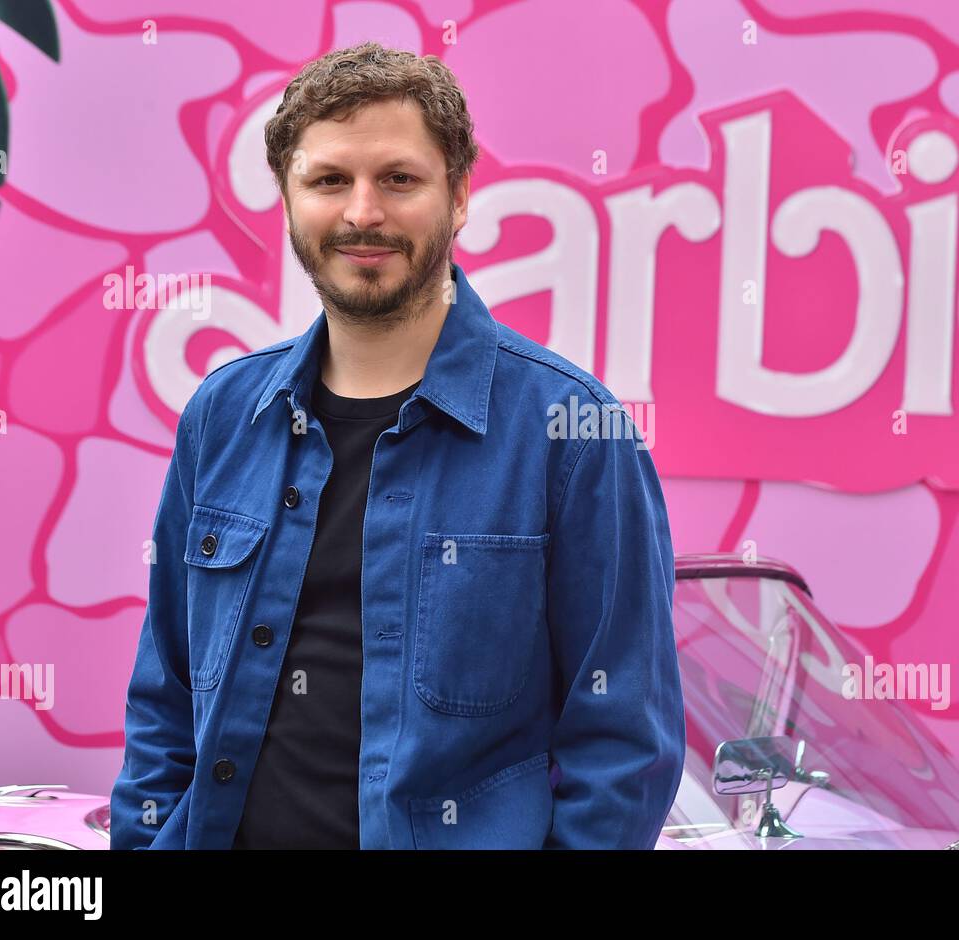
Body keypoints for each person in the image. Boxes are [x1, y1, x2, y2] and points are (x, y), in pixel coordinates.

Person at [109, 41, 685, 850]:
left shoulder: (574, 431)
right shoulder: (223, 415)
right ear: (287, 198)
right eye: (328, 181)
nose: (362, 213)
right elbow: (165, 696)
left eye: (399, 179)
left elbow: (625, 746)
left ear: (460, 195)